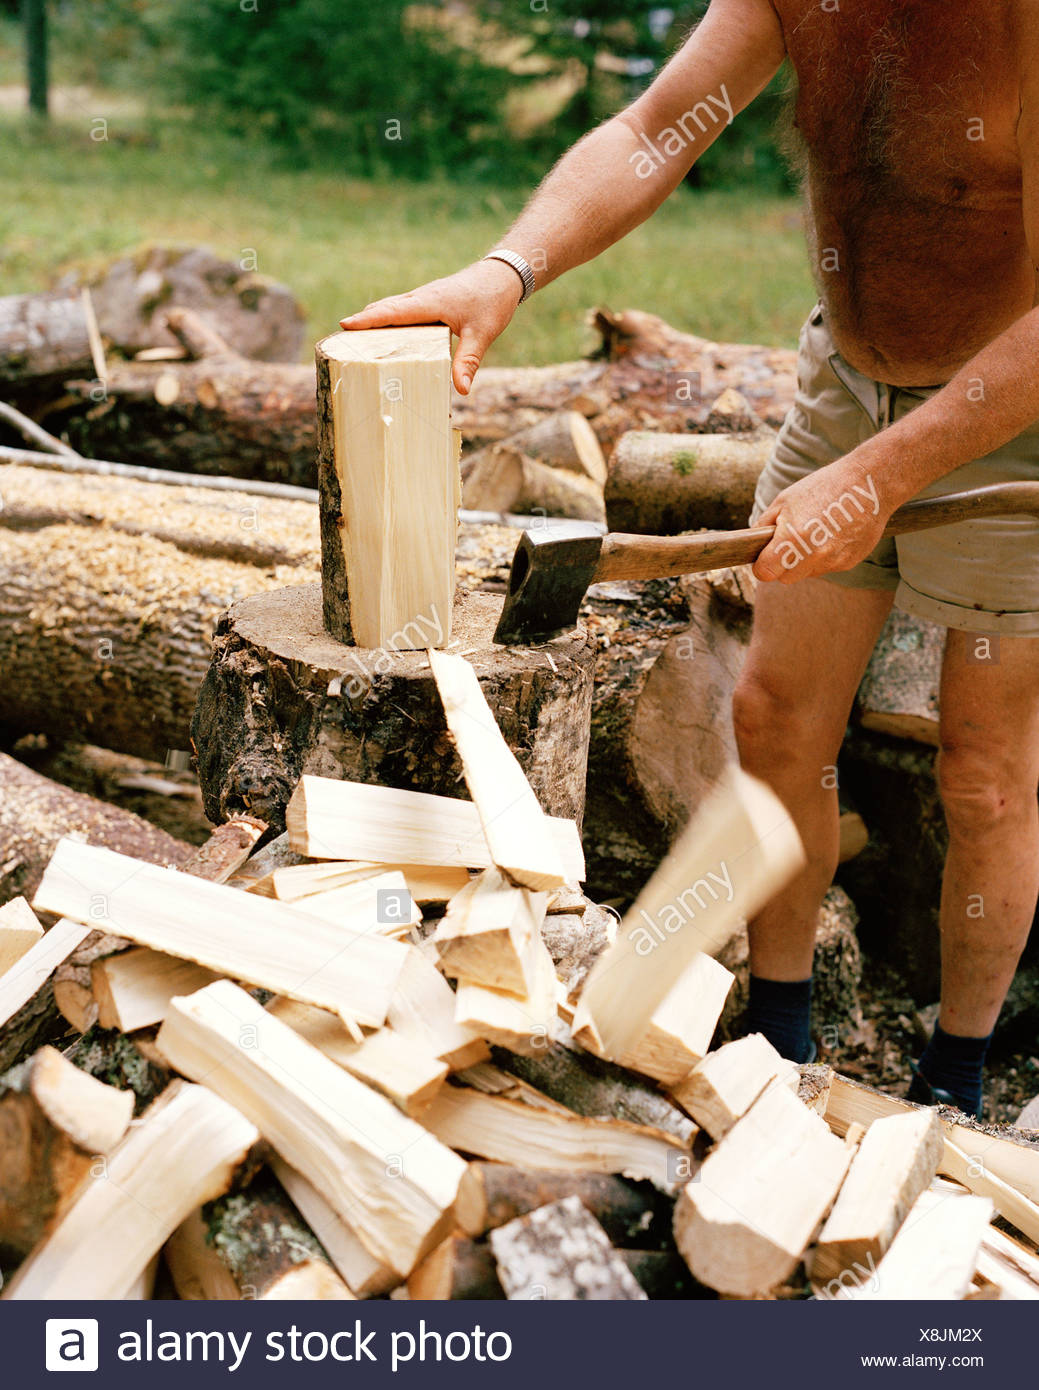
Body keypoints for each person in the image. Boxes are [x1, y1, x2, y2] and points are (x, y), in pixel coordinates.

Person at [341, 1, 1039, 1118]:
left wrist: (882, 477)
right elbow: (654, 130)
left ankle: (956, 1081)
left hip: (1012, 412)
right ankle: (780, 1049)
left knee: (984, 774)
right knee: (772, 725)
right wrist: (506, 271)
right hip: (848, 380)